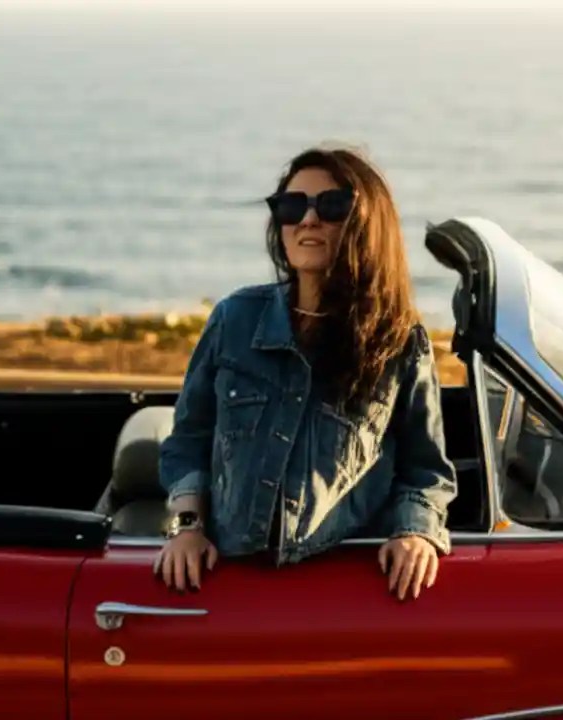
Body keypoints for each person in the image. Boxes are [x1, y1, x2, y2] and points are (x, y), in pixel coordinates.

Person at [154, 146, 457, 602]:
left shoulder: (399, 340)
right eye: (293, 206)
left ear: (365, 224)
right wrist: (186, 528)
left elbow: (426, 470)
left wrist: (414, 533)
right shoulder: (234, 319)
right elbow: (188, 442)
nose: (308, 219)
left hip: (341, 592)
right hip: (225, 585)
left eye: (331, 206)